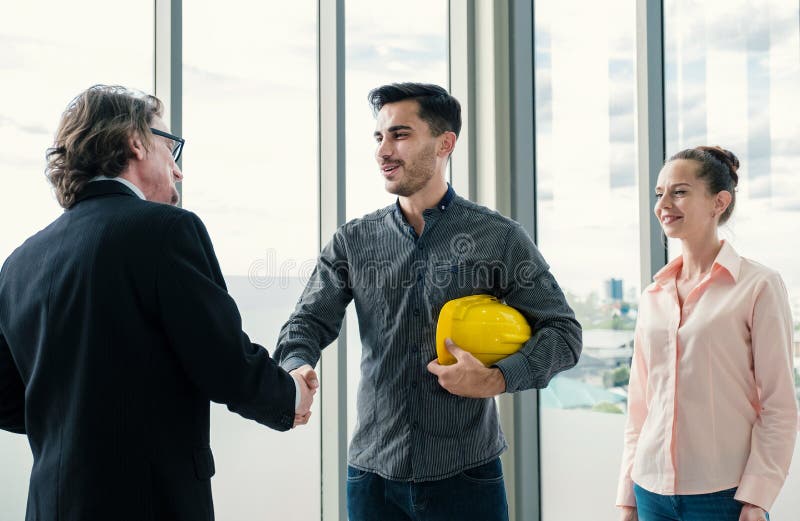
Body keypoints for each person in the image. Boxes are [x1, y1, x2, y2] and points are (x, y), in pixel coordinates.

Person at [0, 85, 316, 521]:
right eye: (170, 147)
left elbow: (6, 399)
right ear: (135, 142)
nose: (178, 170)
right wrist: (291, 393)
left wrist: (75, 426)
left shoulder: (18, 263)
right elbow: (224, 364)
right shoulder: (166, 231)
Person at [275, 82, 582, 521]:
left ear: (445, 143)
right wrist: (296, 365)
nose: (383, 151)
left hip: (467, 476)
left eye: (400, 135)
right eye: (379, 137)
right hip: (372, 481)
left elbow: (563, 334)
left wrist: (497, 379)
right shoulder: (353, 240)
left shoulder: (498, 237)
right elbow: (306, 321)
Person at [616, 146, 798, 521]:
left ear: (719, 202)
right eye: (659, 193)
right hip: (649, 491)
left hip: (724, 495)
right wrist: (627, 496)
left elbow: (779, 406)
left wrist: (758, 498)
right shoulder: (653, 295)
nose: (663, 204)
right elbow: (640, 407)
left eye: (679, 191)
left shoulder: (758, 286)